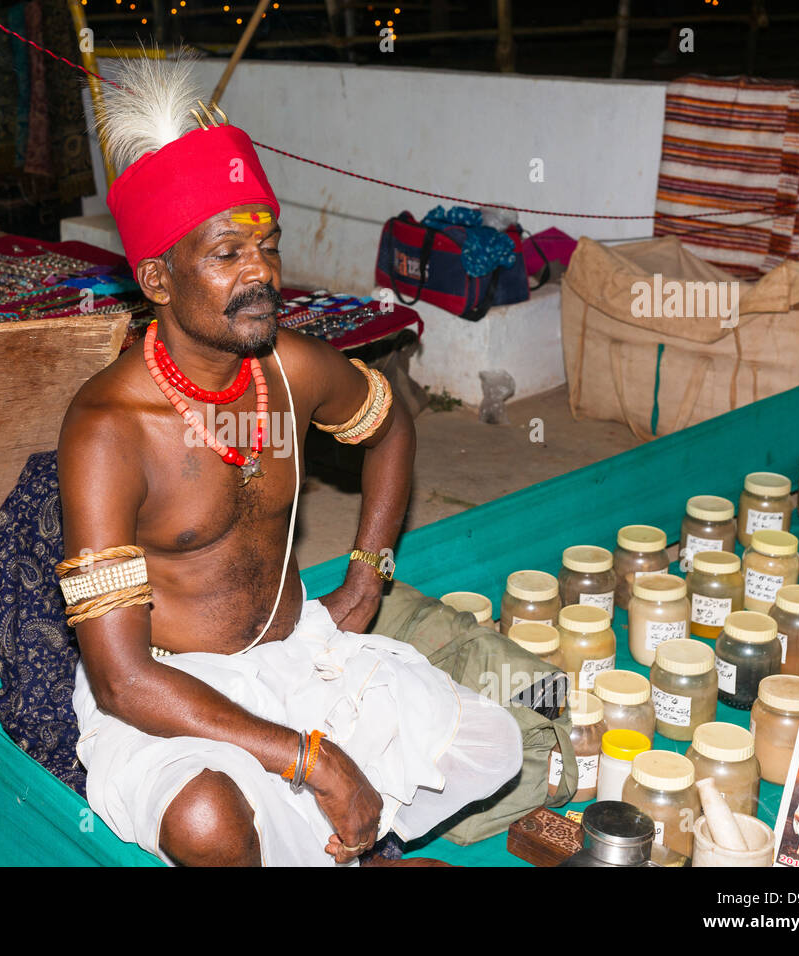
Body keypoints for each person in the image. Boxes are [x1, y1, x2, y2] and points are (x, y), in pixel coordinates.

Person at [56, 56, 522, 867]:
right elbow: (123, 681)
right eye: (227, 254)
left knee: (492, 741)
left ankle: (334, 834)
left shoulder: (290, 370)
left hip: (297, 657)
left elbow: (392, 426)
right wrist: (311, 757)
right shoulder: (107, 431)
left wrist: (370, 570)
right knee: (210, 821)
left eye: (266, 247)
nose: (261, 275)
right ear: (157, 278)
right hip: (172, 697)